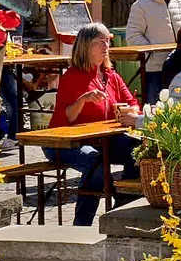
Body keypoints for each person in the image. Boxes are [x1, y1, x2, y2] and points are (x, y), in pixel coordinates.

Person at [43, 23, 141, 226]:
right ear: (86, 46)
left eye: (107, 41)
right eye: (100, 42)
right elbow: (65, 118)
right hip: (64, 143)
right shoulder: (72, 76)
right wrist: (83, 100)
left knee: (138, 150)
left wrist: (132, 112)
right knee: (94, 161)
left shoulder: (110, 75)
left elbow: (132, 102)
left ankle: (123, 206)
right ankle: (82, 225)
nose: (106, 46)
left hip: (102, 140)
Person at [123, 0, 181, 102]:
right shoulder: (140, 6)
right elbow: (132, 36)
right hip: (155, 69)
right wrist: (152, 51)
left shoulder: (180, 3)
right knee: (155, 110)